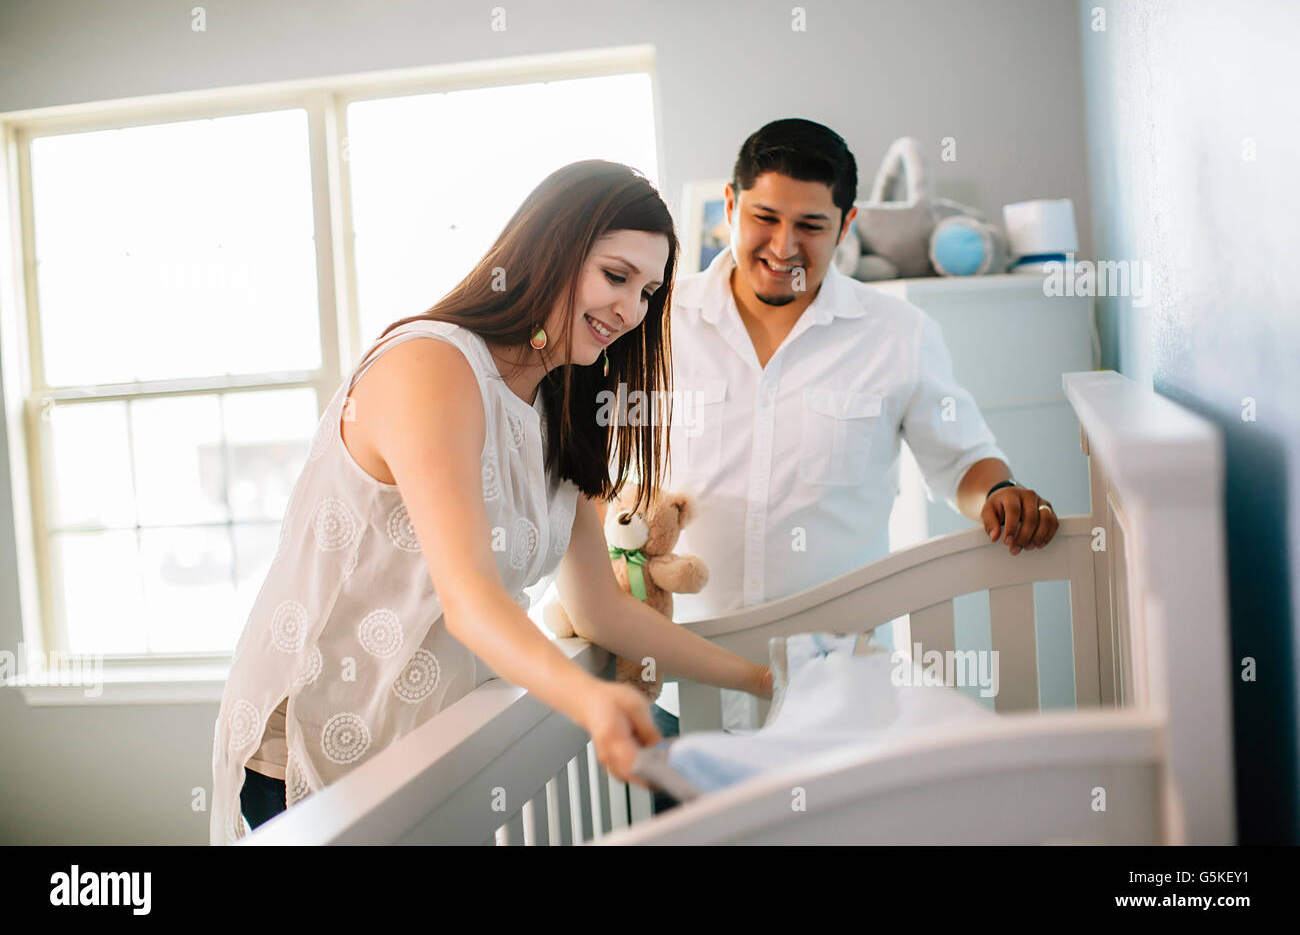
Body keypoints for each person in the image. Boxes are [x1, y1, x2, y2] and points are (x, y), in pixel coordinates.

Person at [210, 159, 773, 844]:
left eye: (650, 291)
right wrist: (593, 702)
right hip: (311, 745)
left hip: (419, 740)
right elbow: (471, 601)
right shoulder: (432, 366)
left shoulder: (559, 405)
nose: (631, 311)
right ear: (549, 252)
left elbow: (601, 609)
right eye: (615, 276)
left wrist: (764, 678)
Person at [654, 119, 1059, 730]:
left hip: (838, 689)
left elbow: (964, 459)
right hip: (681, 688)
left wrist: (999, 493)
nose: (783, 247)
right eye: (764, 217)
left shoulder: (898, 334)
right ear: (731, 206)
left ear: (847, 226)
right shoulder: (656, 324)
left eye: (811, 225)